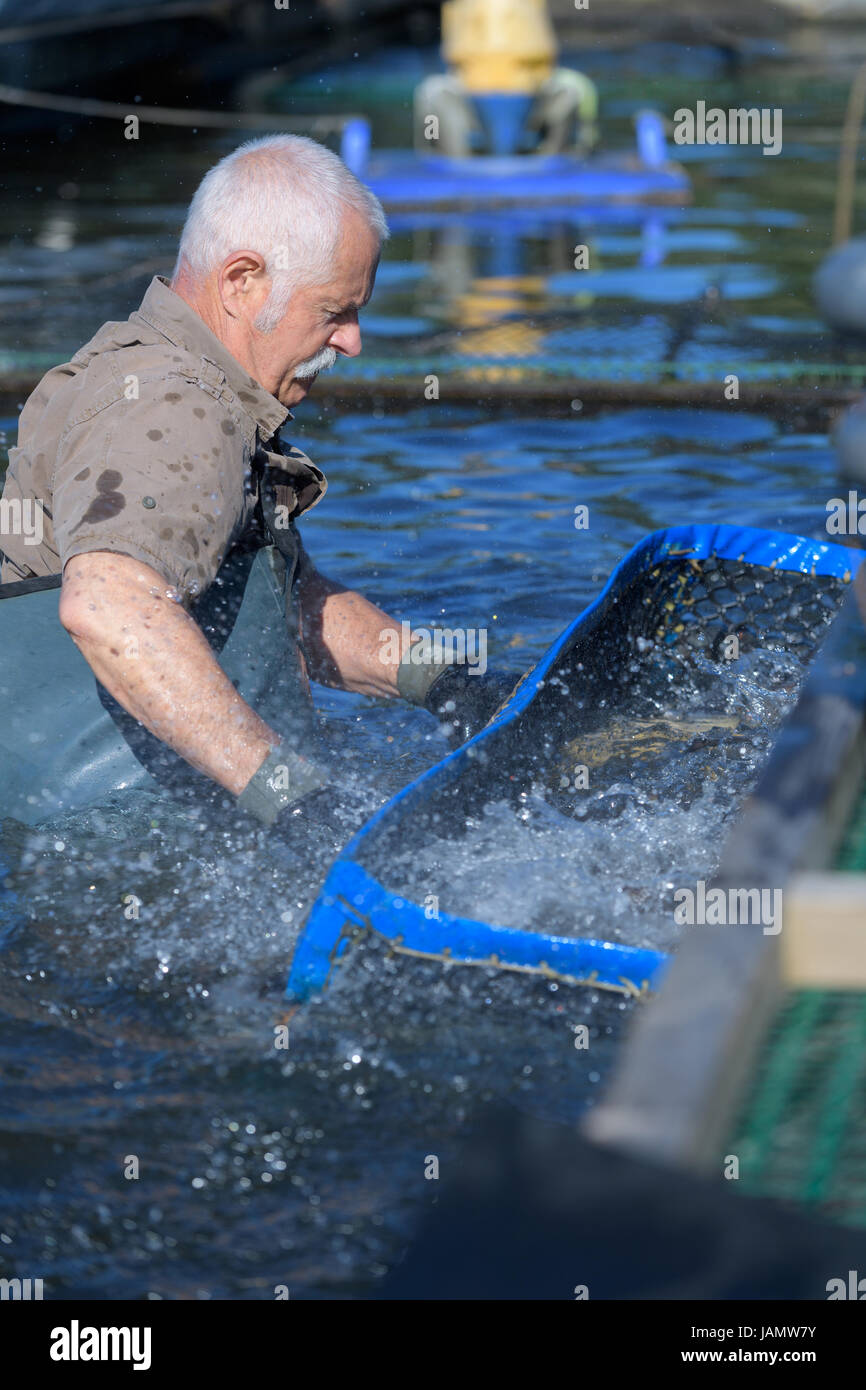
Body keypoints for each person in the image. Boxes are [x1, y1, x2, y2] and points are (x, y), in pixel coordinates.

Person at [0, 135, 518, 835]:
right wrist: (298, 803)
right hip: (127, 847)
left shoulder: (192, 387)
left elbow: (281, 605)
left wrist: (455, 688)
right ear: (242, 281)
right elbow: (110, 607)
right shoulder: (171, 404)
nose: (354, 340)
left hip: (165, 823)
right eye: (335, 311)